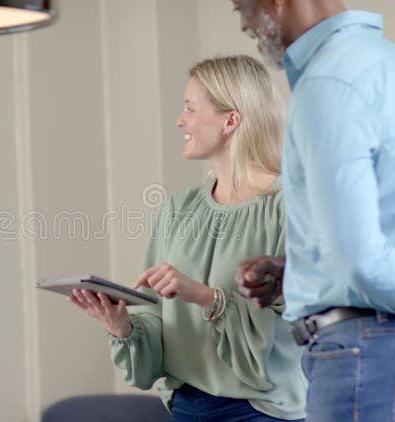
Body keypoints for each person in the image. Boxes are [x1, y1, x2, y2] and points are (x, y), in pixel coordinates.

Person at [230, 1, 395, 421]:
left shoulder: (326, 83)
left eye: (241, 6)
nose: (243, 23)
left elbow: (359, 256)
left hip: (368, 357)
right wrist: (298, 269)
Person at [70, 55, 306, 421]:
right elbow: (155, 312)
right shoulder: (179, 209)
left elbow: (297, 326)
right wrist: (124, 327)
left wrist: (205, 296)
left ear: (231, 120)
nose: (180, 120)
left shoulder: (289, 205)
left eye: (190, 109)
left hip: (262, 413)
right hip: (185, 407)